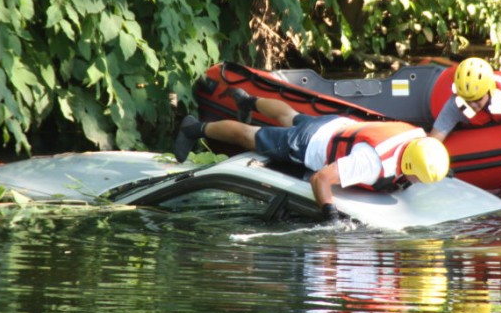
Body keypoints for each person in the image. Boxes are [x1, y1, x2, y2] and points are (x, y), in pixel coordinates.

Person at [173, 90, 450, 218]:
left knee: (292, 116)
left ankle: (248, 100)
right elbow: (320, 179)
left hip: (336, 125)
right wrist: (329, 214)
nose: (417, 184)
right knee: (250, 136)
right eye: (418, 179)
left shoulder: (418, 137)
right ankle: (194, 128)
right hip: (310, 145)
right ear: (410, 165)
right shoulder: (370, 164)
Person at [429, 57, 501, 203]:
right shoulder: (455, 104)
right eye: (467, 100)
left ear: (489, 89)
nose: (473, 105)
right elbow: (432, 142)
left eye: (477, 99)